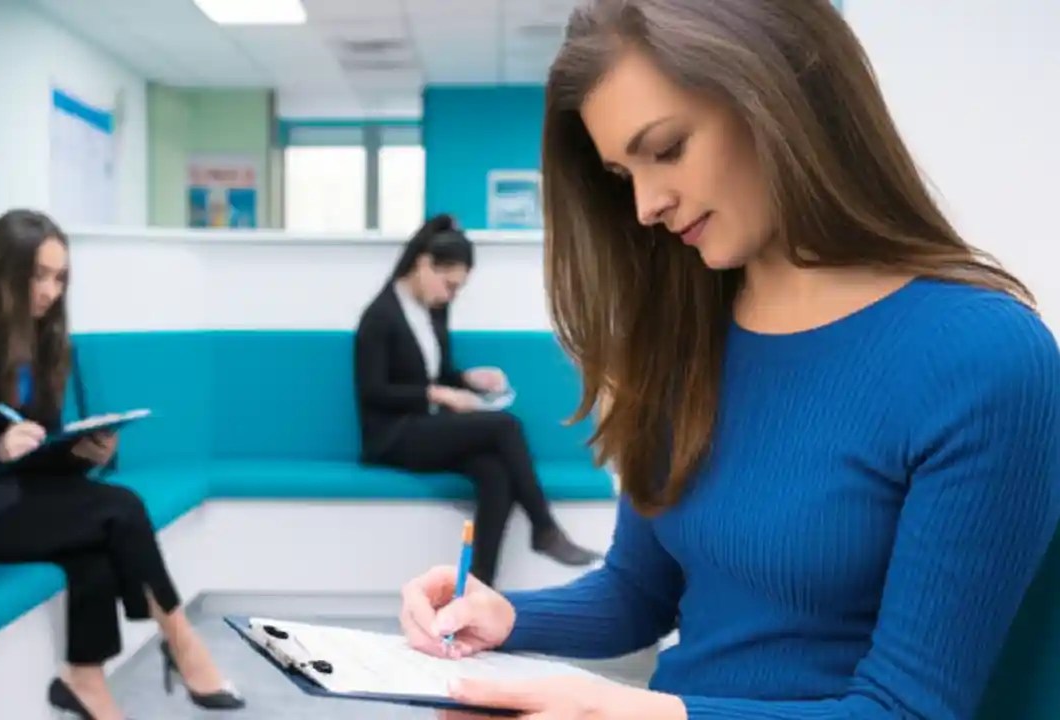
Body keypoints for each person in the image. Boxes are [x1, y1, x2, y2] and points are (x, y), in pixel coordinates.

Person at [398, 1, 1060, 718]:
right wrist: (507, 618)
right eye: (623, 176)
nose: (647, 205)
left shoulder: (983, 358)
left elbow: (906, 711)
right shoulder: (685, 336)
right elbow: (639, 593)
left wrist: (619, 712)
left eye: (668, 148)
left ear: (776, 95)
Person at [0, 210, 244, 720]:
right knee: (120, 508)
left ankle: (86, 680)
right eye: (39, 276)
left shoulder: (41, 343)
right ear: (4, 271)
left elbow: (42, 459)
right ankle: (182, 641)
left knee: (95, 546)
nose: (51, 291)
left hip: (14, 501)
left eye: (60, 278)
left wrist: (83, 454)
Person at [354, 214, 601, 588]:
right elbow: (373, 391)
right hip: (391, 436)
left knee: (493, 471)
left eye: (457, 289)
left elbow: (432, 371)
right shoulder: (379, 316)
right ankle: (544, 527)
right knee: (506, 425)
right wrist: (438, 394)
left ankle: (478, 586)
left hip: (425, 427)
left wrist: (467, 379)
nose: (451, 295)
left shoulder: (431, 312)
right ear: (423, 264)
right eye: (448, 284)